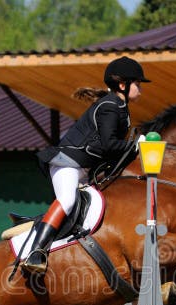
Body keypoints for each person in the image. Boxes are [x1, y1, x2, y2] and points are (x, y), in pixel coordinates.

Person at [21, 56, 150, 275]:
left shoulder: (119, 106)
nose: (141, 89)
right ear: (123, 85)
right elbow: (109, 145)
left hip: (84, 169)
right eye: (137, 83)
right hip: (67, 164)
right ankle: (36, 252)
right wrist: (135, 146)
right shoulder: (110, 106)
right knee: (68, 199)